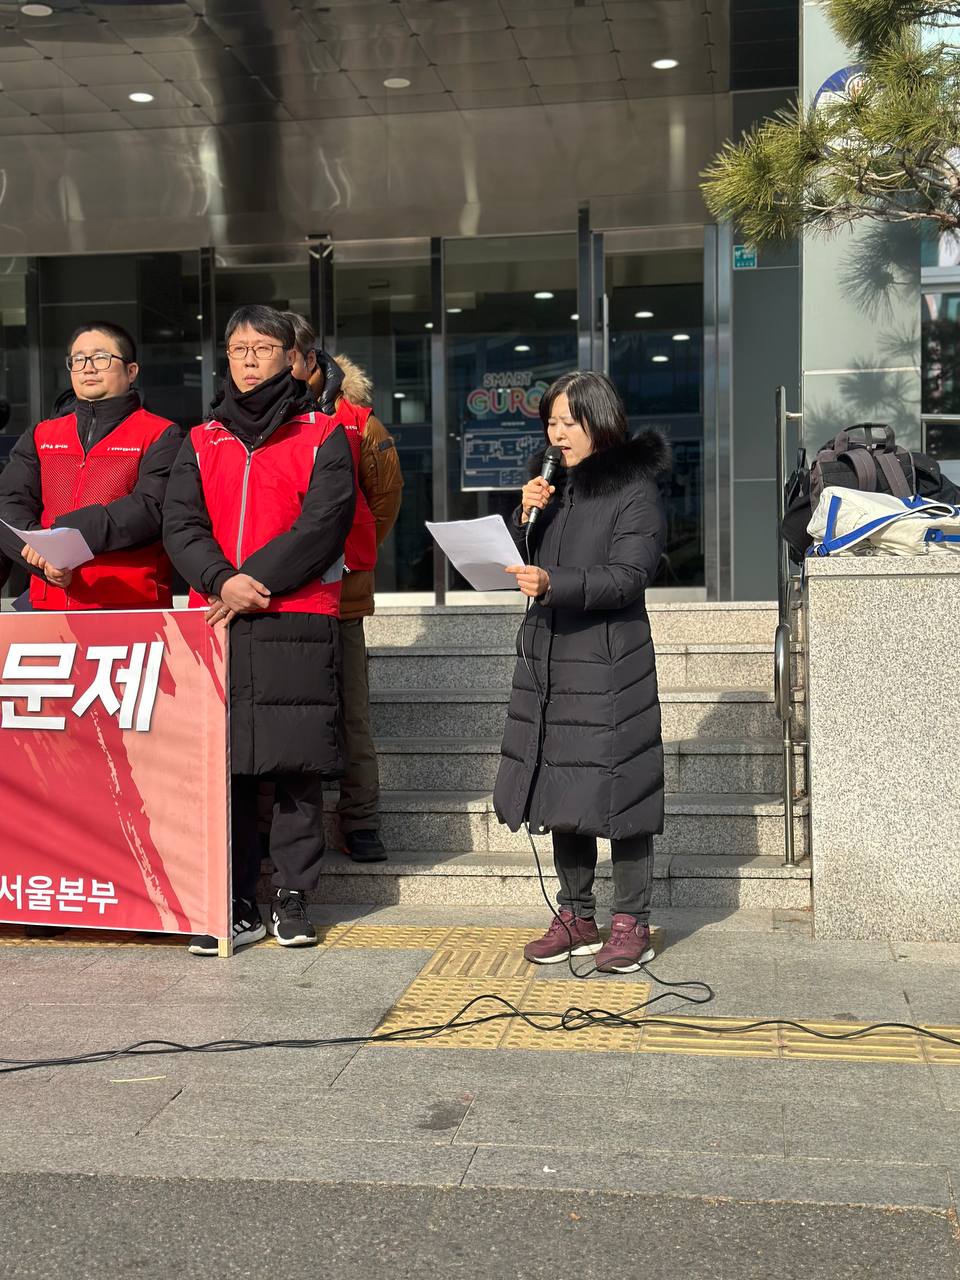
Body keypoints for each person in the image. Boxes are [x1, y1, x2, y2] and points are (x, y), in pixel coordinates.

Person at [162, 305, 356, 955]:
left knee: (297, 766)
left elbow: (322, 525)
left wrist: (254, 584)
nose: (247, 358)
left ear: (289, 356)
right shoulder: (201, 439)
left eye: (261, 348)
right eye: (237, 348)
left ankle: (294, 897)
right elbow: (180, 526)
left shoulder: (323, 434)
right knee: (230, 768)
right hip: (216, 620)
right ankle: (237, 898)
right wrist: (221, 581)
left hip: (294, 617)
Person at [493, 370, 669, 973]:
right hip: (550, 654)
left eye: (569, 421)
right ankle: (575, 914)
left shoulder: (633, 489)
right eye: (551, 421)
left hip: (609, 659)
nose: (558, 433)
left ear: (601, 420)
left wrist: (554, 584)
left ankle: (631, 921)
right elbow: (523, 565)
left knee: (619, 790)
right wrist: (523, 518)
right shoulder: (553, 489)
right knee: (561, 783)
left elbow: (630, 576)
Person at [285, 313, 403, 864]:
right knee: (279, 715)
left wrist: (347, 553)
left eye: (279, 351)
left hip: (339, 598)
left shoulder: (359, 424)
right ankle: (268, 824)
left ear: (310, 359)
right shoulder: (235, 423)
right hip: (270, 596)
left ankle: (360, 819)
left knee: (352, 714)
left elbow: (385, 501)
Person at [0, 322, 183, 610]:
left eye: (101, 358)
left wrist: (63, 536)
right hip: (49, 602)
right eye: (78, 359)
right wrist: (41, 556)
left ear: (131, 371)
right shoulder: (41, 435)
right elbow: (9, 503)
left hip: (129, 604)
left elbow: (150, 507)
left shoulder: (162, 434)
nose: (88, 368)